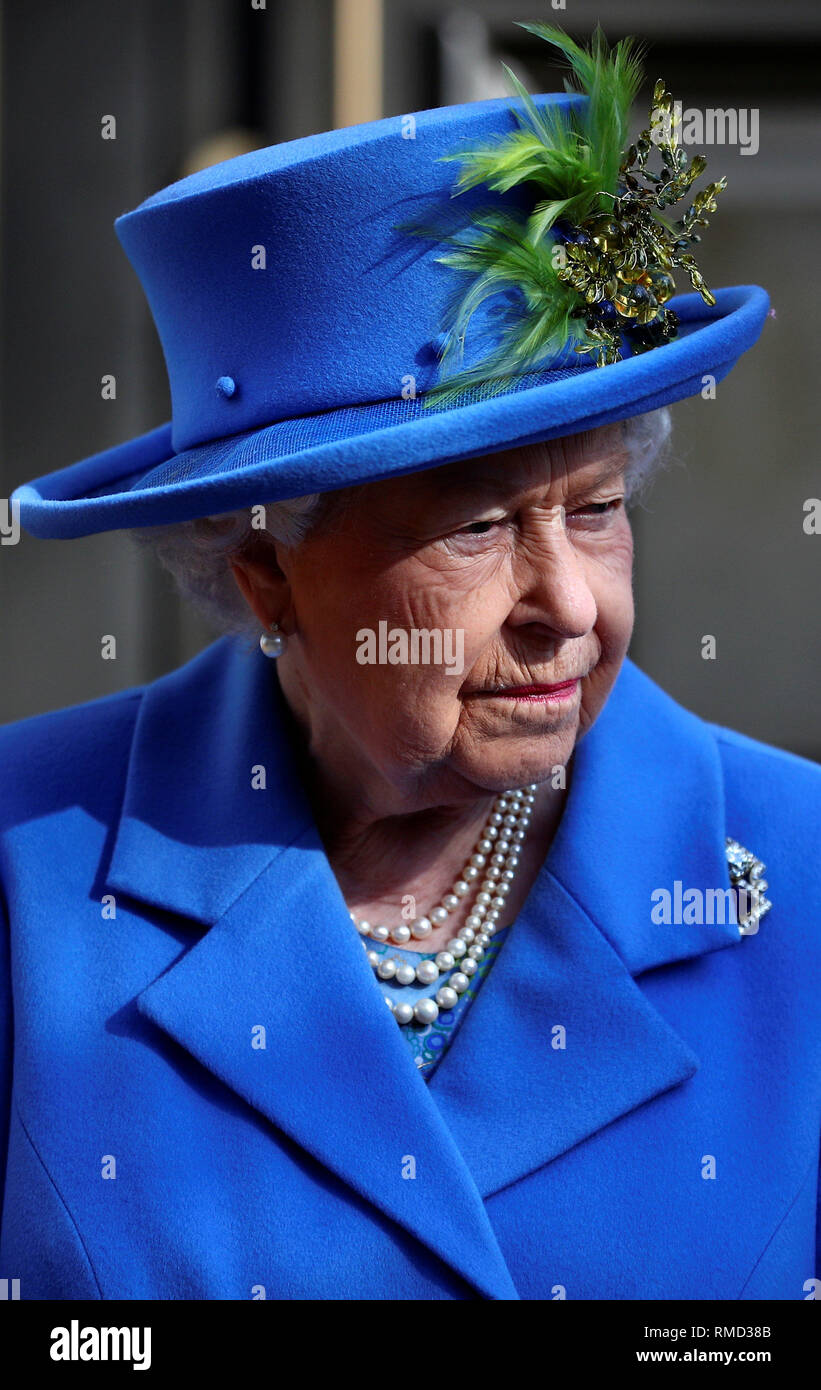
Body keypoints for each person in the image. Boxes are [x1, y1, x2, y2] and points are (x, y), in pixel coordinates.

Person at [1, 26, 818, 1300]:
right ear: (266, 568)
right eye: (477, 527)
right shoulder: (26, 867)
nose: (569, 604)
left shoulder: (802, 877)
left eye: (595, 508)